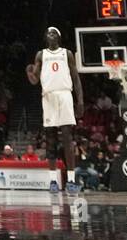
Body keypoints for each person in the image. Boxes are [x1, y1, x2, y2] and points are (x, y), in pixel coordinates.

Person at [27, 27, 85, 194]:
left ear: (59, 37)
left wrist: (80, 100)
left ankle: (72, 181)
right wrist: (30, 74)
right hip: (48, 96)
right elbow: (34, 80)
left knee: (67, 138)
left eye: (53, 33)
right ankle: (53, 180)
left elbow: (76, 78)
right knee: (50, 139)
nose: (50, 35)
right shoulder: (41, 55)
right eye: (48, 34)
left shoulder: (67, 54)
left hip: (65, 94)